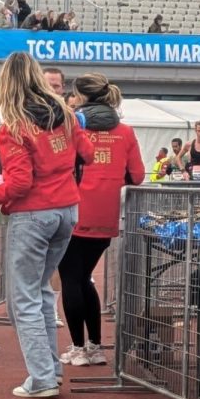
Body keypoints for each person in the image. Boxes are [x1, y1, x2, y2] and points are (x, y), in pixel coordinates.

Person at [0, 52, 80, 399]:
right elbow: (79, 154)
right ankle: (49, 370)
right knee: (39, 291)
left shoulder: (14, 127)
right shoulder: (66, 116)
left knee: (22, 297)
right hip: (66, 208)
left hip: (34, 213)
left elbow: (20, 182)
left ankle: (42, 378)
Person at [59, 73, 143, 368]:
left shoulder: (71, 127)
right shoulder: (126, 131)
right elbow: (137, 176)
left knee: (70, 278)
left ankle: (80, 348)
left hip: (72, 210)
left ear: (80, 97)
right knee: (83, 278)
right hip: (106, 217)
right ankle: (95, 346)